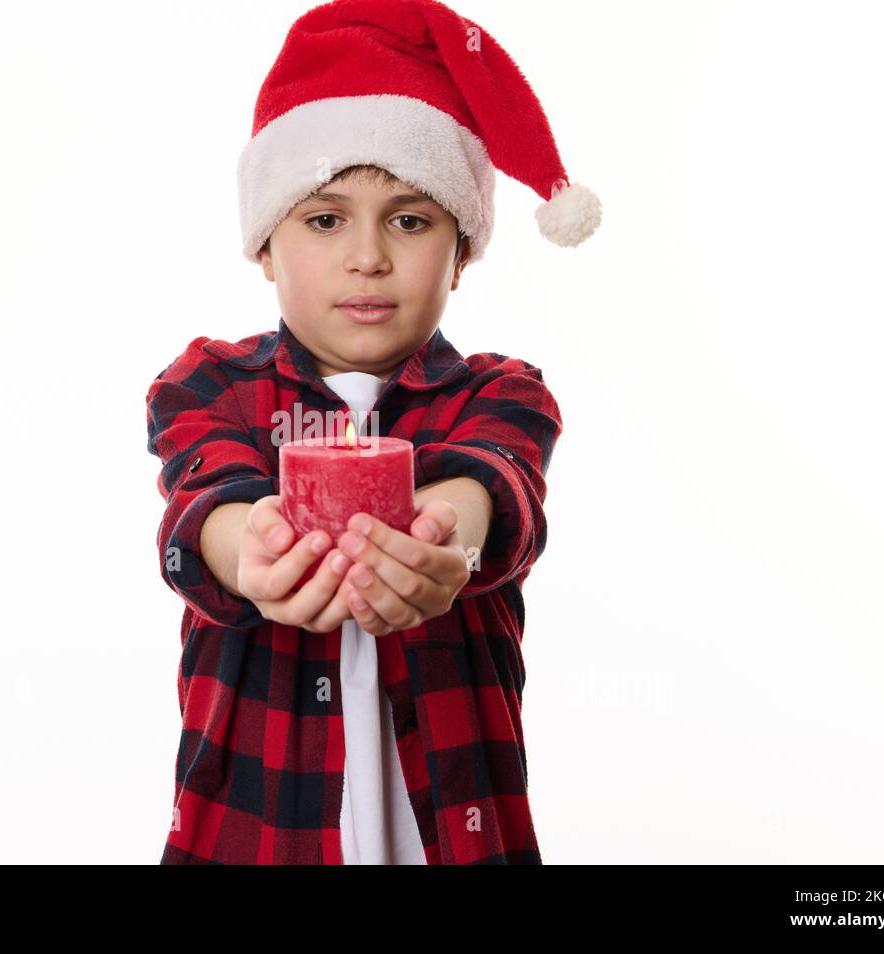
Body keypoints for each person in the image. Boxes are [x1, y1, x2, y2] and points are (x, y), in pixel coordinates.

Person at [145, 0, 599, 864]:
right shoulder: (211, 384)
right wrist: (250, 549)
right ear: (265, 248)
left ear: (462, 254)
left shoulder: (500, 392)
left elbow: (495, 489)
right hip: (254, 834)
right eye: (324, 220)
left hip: (454, 836)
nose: (368, 257)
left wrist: (444, 541)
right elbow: (203, 498)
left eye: (410, 219)